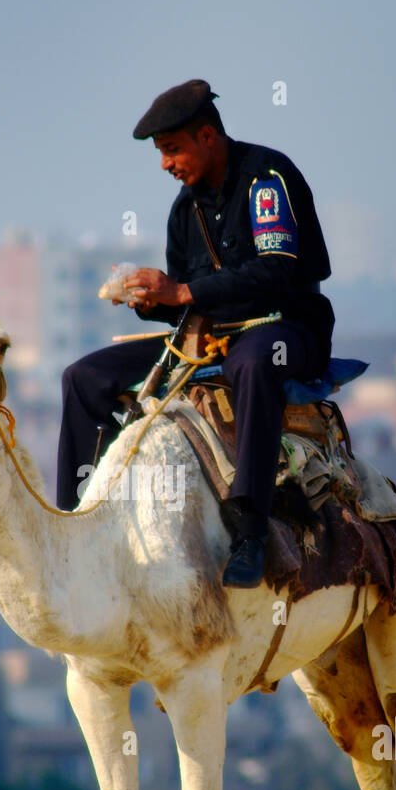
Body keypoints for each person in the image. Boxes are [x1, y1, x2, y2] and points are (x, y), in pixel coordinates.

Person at [56, 78, 334, 588]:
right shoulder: (185, 209)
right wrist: (150, 303)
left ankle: (251, 529)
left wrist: (181, 293)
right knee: (82, 377)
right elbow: (183, 297)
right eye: (161, 153)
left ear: (207, 137)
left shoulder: (265, 179)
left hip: (286, 328)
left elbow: (275, 270)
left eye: (171, 149)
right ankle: (77, 523)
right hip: (204, 338)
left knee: (252, 362)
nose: (165, 163)